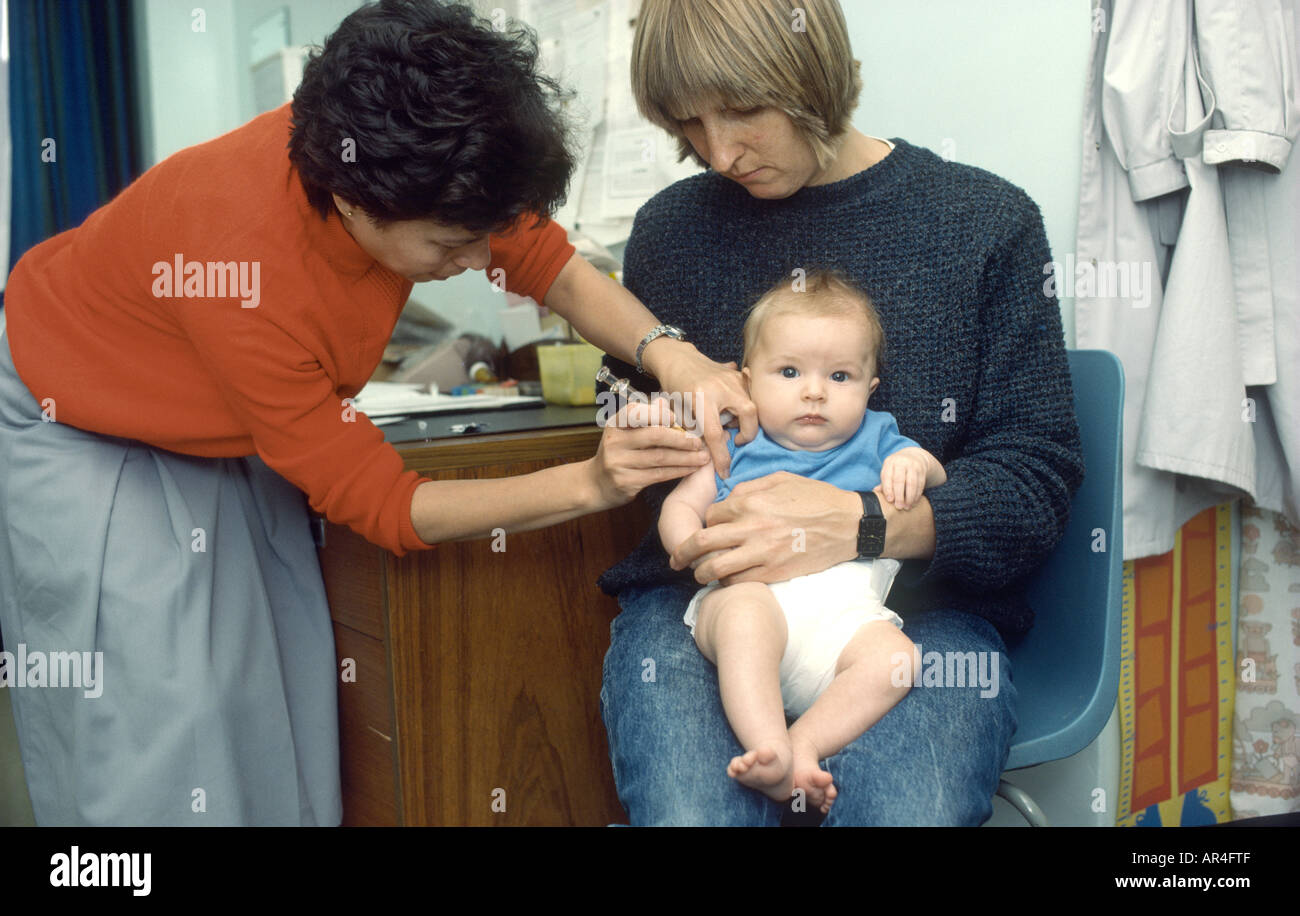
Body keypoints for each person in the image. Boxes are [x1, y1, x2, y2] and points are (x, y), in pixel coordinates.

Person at [0, 0, 755, 826]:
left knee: (281, 686)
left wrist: (676, 357)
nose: (477, 263)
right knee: (158, 711)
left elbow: (542, 260)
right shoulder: (239, 260)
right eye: (447, 248)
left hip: (214, 414)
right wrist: (590, 483)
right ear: (355, 204)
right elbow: (387, 505)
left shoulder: (411, 152)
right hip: (74, 409)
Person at [597, 0, 1085, 826]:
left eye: (744, 111)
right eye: (689, 125)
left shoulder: (982, 225)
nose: (719, 152)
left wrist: (858, 525)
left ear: (811, 75)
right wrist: (627, 432)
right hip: (706, 606)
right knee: (692, 813)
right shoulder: (670, 231)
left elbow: (1033, 483)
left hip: (919, 615)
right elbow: (620, 399)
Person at [659, 270, 945, 814]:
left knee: (897, 659)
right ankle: (766, 742)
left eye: (840, 376)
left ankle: (803, 746)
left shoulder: (879, 438)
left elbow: (934, 473)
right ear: (746, 383)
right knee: (744, 613)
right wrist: (689, 544)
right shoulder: (738, 444)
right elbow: (682, 503)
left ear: (870, 389)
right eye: (789, 372)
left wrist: (915, 463)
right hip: (750, 603)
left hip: (843, 628)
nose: (814, 391)